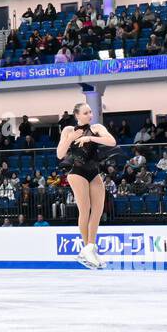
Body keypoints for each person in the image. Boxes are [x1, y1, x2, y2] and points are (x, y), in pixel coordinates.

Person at [56, 102, 117, 270]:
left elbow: (111, 141)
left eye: (90, 112)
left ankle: (90, 248)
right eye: (86, 112)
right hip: (77, 172)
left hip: (94, 172)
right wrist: (71, 138)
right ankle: (87, 249)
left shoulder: (96, 128)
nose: (90, 115)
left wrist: (89, 138)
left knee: (97, 211)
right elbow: (60, 154)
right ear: (77, 115)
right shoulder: (68, 130)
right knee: (85, 209)